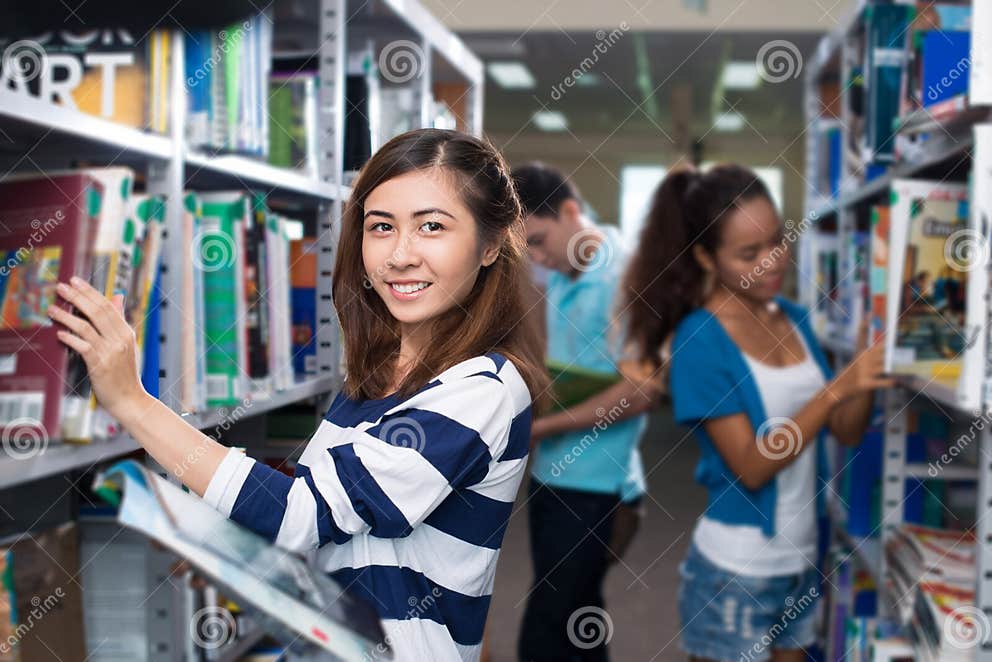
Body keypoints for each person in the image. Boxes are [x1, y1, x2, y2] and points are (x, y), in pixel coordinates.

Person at [50, 128, 550, 662]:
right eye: (381, 227)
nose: (400, 256)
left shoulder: (483, 391)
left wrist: (131, 400)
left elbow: (301, 516)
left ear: (490, 244)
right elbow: (330, 521)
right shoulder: (381, 371)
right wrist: (215, 539)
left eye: (432, 227)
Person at [619, 164, 892, 662]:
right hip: (736, 568)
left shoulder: (796, 318)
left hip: (803, 556)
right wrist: (835, 390)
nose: (772, 263)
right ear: (707, 257)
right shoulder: (700, 341)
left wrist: (864, 370)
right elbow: (751, 465)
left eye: (777, 243)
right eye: (749, 254)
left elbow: (847, 432)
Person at [511, 162, 657, 662]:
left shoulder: (625, 277)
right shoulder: (566, 273)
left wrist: (542, 426)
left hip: (597, 482)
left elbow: (641, 391)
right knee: (577, 613)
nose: (536, 257)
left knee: (549, 623)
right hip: (554, 470)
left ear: (571, 211)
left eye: (537, 240)